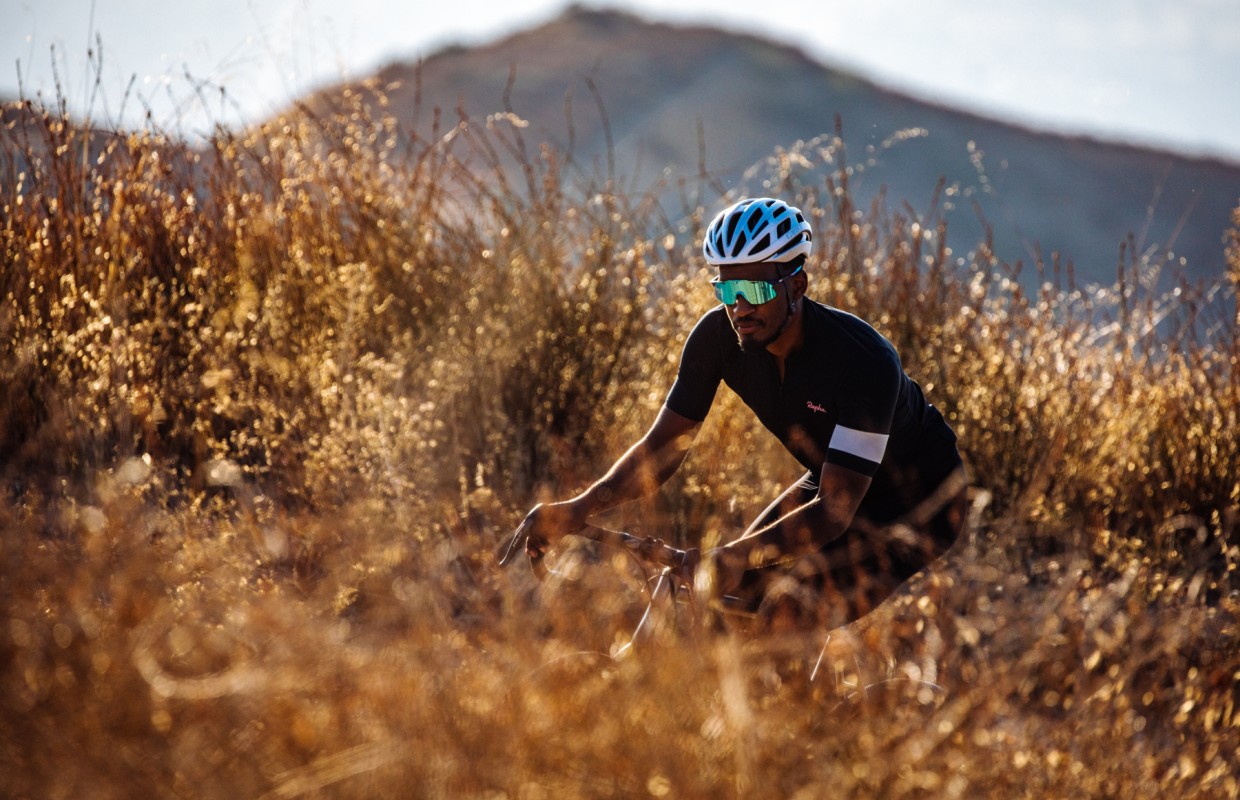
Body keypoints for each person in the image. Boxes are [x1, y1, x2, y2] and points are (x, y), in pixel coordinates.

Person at [504, 197, 968, 628]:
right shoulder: (718, 340)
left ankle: (805, 712)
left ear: (797, 285)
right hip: (834, 475)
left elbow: (833, 511)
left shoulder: (863, 362)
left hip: (921, 504)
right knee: (719, 600)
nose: (739, 307)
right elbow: (661, 449)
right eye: (726, 288)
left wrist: (731, 555)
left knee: (784, 611)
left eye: (754, 287)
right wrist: (577, 508)